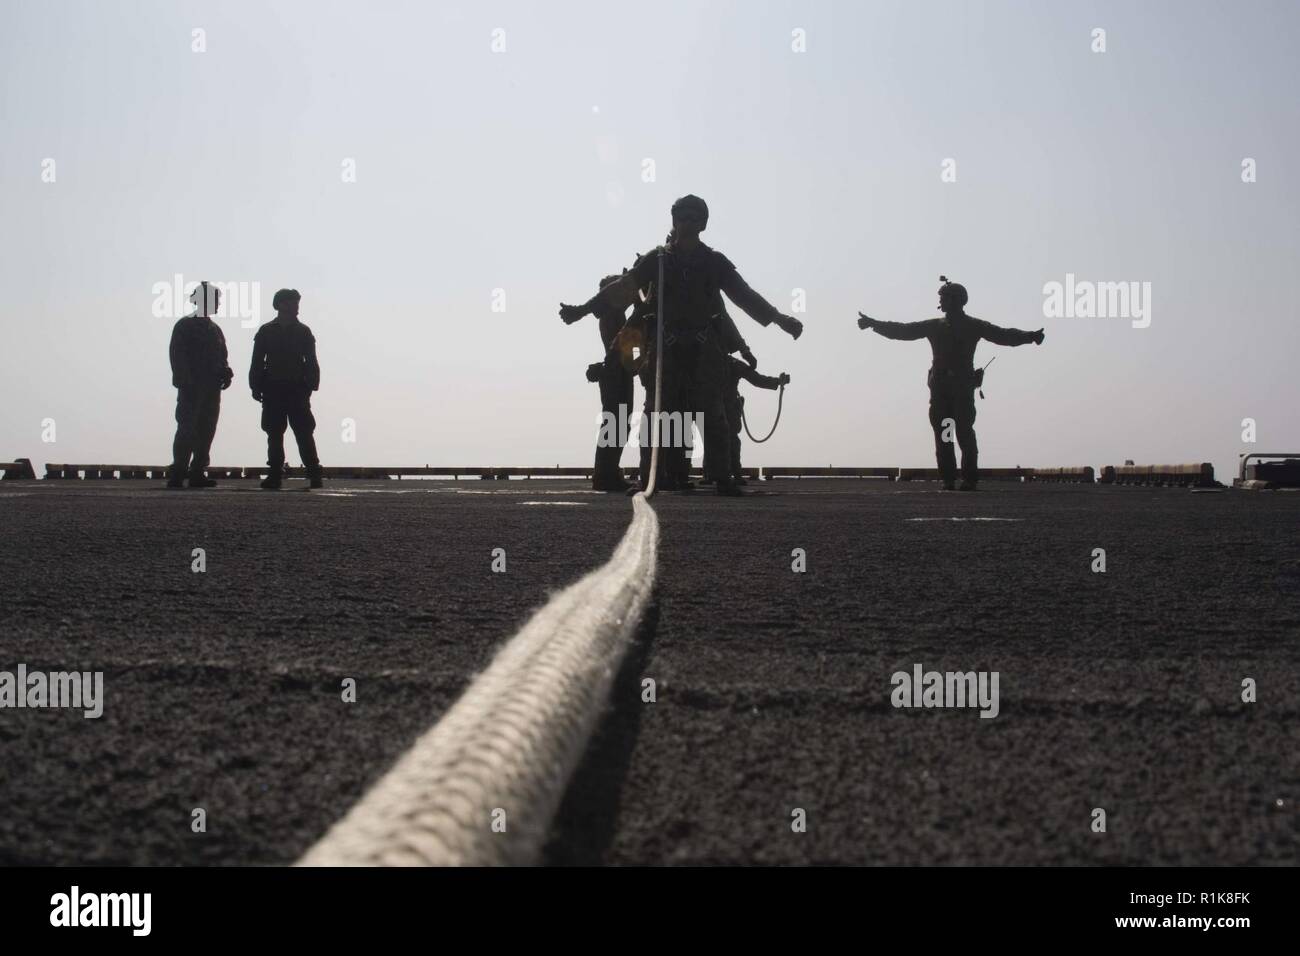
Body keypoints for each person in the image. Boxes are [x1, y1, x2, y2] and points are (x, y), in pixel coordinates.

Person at [560, 195, 802, 495]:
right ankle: (652, 476)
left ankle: (724, 478)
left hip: (704, 348)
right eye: (681, 217)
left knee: (714, 413)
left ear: (703, 223)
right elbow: (624, 288)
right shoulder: (658, 260)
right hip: (666, 349)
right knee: (656, 413)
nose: (685, 223)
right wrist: (582, 310)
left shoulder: (714, 262)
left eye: (692, 217)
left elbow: (743, 295)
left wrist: (779, 319)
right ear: (673, 221)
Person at [857, 277, 1044, 491]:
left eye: (943, 298)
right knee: (946, 433)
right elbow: (903, 331)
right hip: (942, 390)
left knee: (963, 432)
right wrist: (874, 324)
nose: (940, 302)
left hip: (961, 390)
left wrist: (1029, 336)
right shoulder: (939, 326)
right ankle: (949, 479)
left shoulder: (971, 325)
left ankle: (968, 479)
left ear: (956, 300)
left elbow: (1003, 335)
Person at [249, 288, 322, 490]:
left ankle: (314, 472)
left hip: (297, 389)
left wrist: (310, 385)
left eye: (296, 302)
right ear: (280, 305)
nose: (296, 306)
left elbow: (311, 361)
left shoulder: (303, 331)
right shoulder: (266, 331)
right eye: (291, 302)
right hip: (273, 389)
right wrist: (255, 386)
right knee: (274, 433)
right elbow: (257, 361)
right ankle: (274, 473)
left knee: (304, 431)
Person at [575, 273, 638, 491]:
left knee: (619, 422)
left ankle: (608, 472)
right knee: (615, 422)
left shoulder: (615, 315)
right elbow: (626, 343)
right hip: (616, 371)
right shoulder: (613, 316)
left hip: (619, 371)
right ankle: (605, 474)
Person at [168, 281, 233, 489]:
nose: (218, 304)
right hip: (191, 387)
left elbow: (222, 357)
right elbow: (177, 356)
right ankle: (178, 472)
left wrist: (226, 371)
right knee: (187, 428)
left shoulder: (215, 330)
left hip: (212, 388)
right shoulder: (185, 326)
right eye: (216, 299)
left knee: (207, 430)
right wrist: (184, 381)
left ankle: (197, 471)